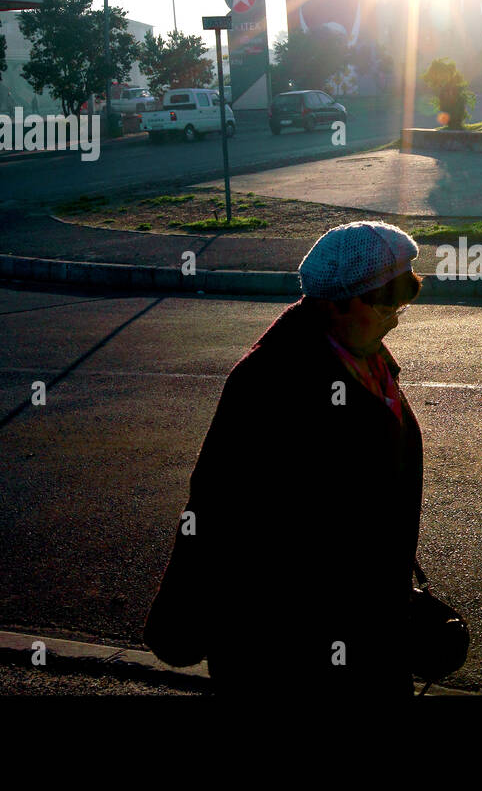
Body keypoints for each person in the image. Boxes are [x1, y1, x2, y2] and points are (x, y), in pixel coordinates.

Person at [144, 221, 425, 698]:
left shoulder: (369, 360)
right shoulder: (269, 380)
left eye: (401, 304)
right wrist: (183, 618)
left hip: (367, 629)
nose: (394, 319)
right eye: (383, 304)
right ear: (335, 302)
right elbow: (213, 505)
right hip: (285, 646)